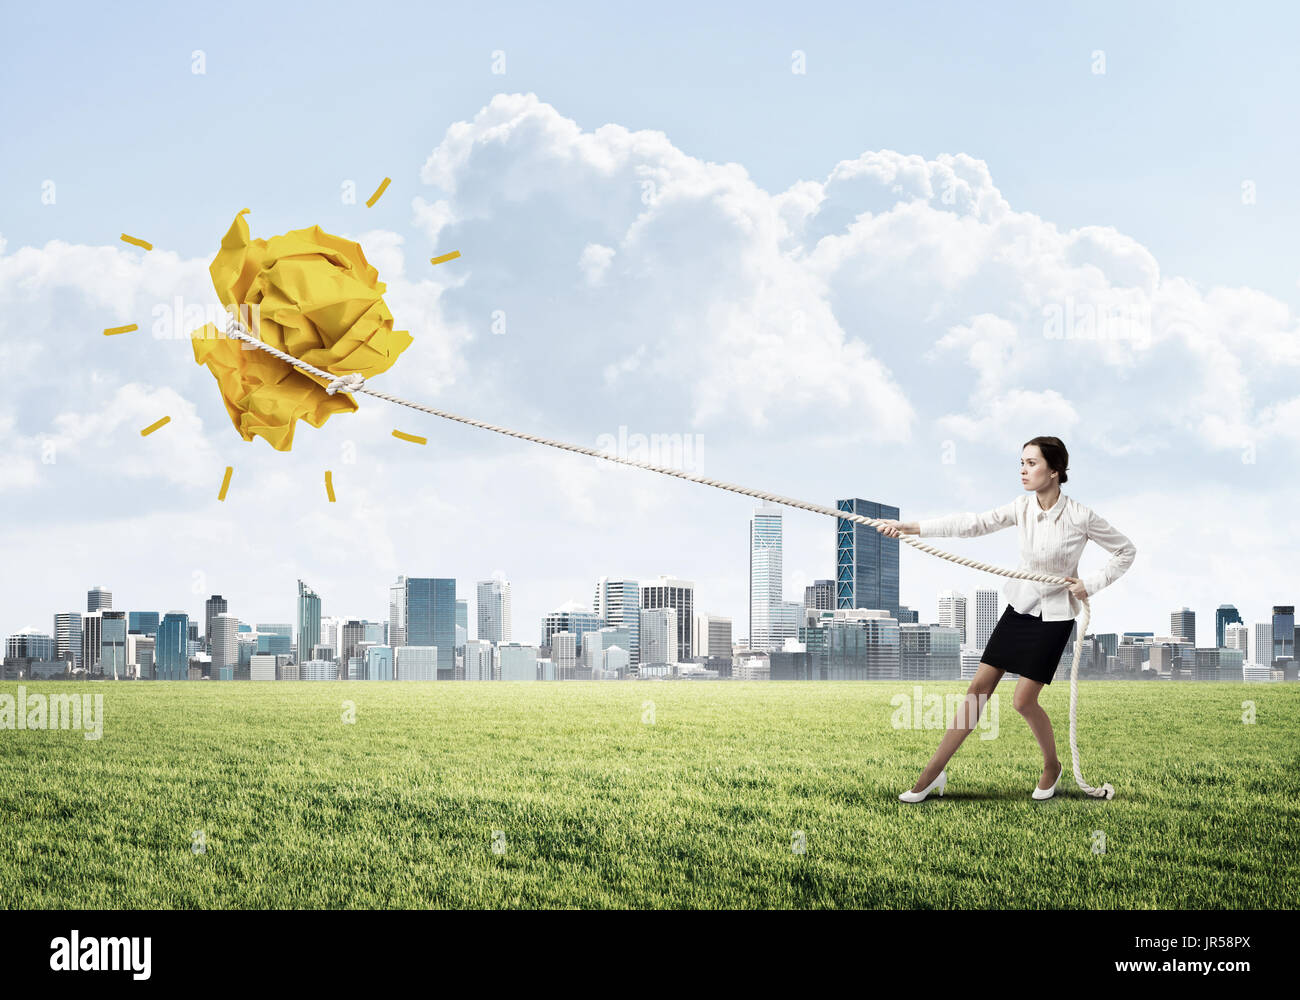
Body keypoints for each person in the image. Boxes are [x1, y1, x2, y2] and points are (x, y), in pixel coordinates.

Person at [875, 436, 1136, 802]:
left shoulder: (1081, 516)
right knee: (976, 692)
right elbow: (972, 524)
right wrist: (909, 527)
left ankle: (1052, 767)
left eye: (1031, 463)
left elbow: (1126, 551)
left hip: (1055, 618)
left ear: (1055, 471)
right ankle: (931, 775)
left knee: (1023, 701)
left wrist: (1090, 583)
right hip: (1021, 608)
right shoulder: (1022, 508)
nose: (1023, 470)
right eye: (1022, 463)